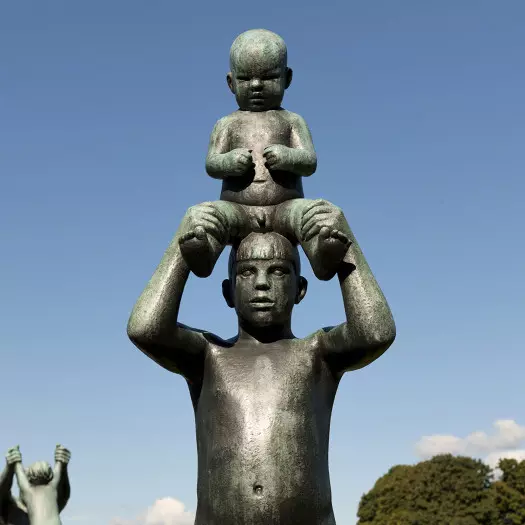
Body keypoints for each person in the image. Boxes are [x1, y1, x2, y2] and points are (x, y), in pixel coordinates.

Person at [127, 217, 395, 524]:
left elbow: (375, 331)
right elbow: (144, 328)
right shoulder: (208, 355)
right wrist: (182, 251)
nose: (262, 283)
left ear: (300, 289)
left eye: (278, 271)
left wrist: (345, 248)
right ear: (228, 293)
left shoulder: (317, 353)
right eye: (246, 272)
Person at [179, 28, 350, 281]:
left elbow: (309, 162)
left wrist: (288, 157)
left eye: (269, 77)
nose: (256, 86)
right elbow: (212, 164)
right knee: (211, 216)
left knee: (312, 214)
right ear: (231, 82)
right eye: (246, 79)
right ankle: (203, 254)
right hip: (237, 209)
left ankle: (323, 254)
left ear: (287, 78)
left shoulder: (292, 121)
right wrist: (228, 162)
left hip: (285, 208)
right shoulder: (226, 123)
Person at [0, 445, 70, 525]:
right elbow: (2, 491)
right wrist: (9, 468)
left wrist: (63, 467)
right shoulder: (10, 506)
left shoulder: (46, 504)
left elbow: (63, 494)